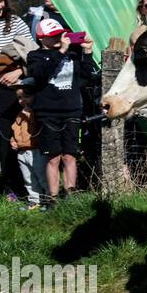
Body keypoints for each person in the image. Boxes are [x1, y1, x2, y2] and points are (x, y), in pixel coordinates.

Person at [23, 19, 97, 203]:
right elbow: (39, 74)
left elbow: (87, 76)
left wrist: (87, 52)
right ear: (41, 39)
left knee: (70, 155)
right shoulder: (35, 56)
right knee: (53, 157)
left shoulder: (72, 54)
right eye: (52, 36)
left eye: (59, 34)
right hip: (48, 113)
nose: (58, 38)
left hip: (71, 110)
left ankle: (71, 196)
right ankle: (53, 199)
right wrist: (61, 51)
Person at [0, 0, 33, 197]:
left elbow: (30, 51)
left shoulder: (15, 22)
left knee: (8, 135)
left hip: (8, 86)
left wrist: (18, 71)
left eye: (1, 1)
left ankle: (14, 187)